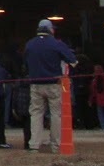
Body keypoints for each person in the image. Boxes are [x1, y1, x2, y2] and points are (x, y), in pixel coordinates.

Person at [24, 19, 77, 153]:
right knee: (55, 115)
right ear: (50, 30)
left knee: (35, 114)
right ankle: (56, 145)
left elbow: (24, 63)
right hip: (53, 83)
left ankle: (34, 144)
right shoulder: (56, 43)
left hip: (35, 84)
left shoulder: (30, 44)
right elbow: (73, 61)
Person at [87, 60, 104, 133]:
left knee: (100, 113)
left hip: (99, 99)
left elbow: (93, 92)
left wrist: (90, 100)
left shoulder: (94, 81)